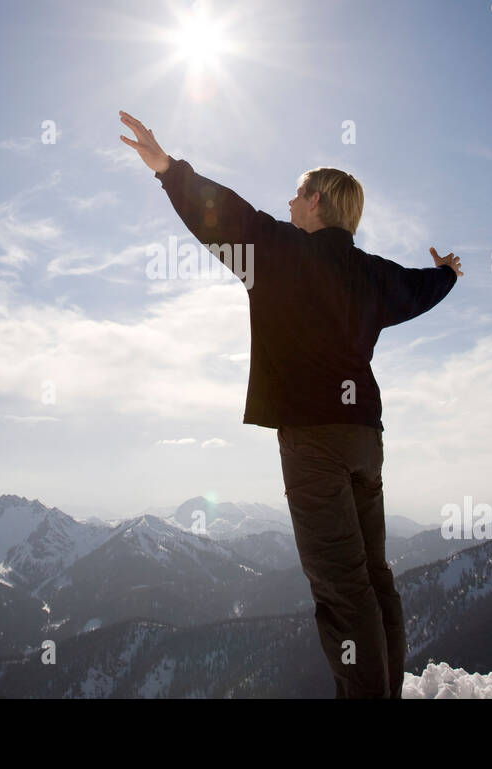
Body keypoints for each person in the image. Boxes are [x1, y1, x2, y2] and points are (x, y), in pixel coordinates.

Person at [119, 110, 462, 698]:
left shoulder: (277, 252)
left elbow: (222, 216)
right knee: (375, 579)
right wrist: (447, 274)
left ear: (319, 201)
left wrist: (168, 170)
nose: (289, 200)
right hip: (364, 438)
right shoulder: (374, 275)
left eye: (298, 192)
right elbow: (421, 289)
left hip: (313, 441)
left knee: (342, 589)